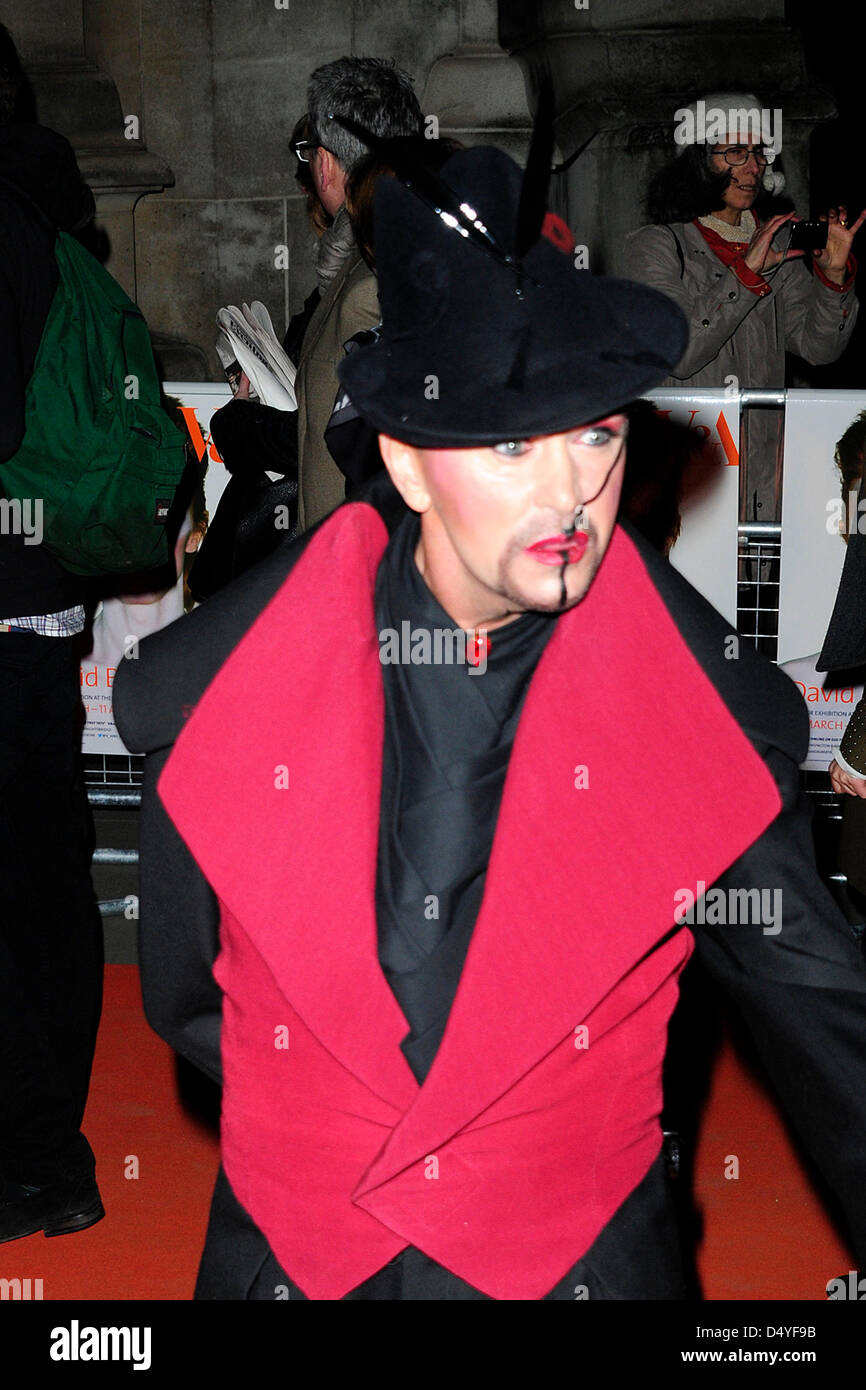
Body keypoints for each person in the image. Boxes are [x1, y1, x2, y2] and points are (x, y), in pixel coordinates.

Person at [114, 143, 866, 1301]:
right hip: (296, 1258)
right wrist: (333, 1136)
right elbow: (190, 997)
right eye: (512, 445)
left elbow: (823, 1021)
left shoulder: (696, 725)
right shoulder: (213, 694)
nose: (568, 489)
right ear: (406, 467)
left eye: (597, 435)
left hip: (576, 1262)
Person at [0, 30, 104, 1242]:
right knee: (41, 877)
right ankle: (47, 1144)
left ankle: (35, 1156)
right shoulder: (50, 202)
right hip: (39, 590)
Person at [624, 92, 862, 519]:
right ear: (699, 159)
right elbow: (679, 353)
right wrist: (745, 274)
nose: (753, 166)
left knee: (761, 583)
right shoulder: (658, 245)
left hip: (762, 477)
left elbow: (819, 348)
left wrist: (834, 278)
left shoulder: (776, 245)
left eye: (757, 152)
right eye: (734, 152)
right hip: (690, 481)